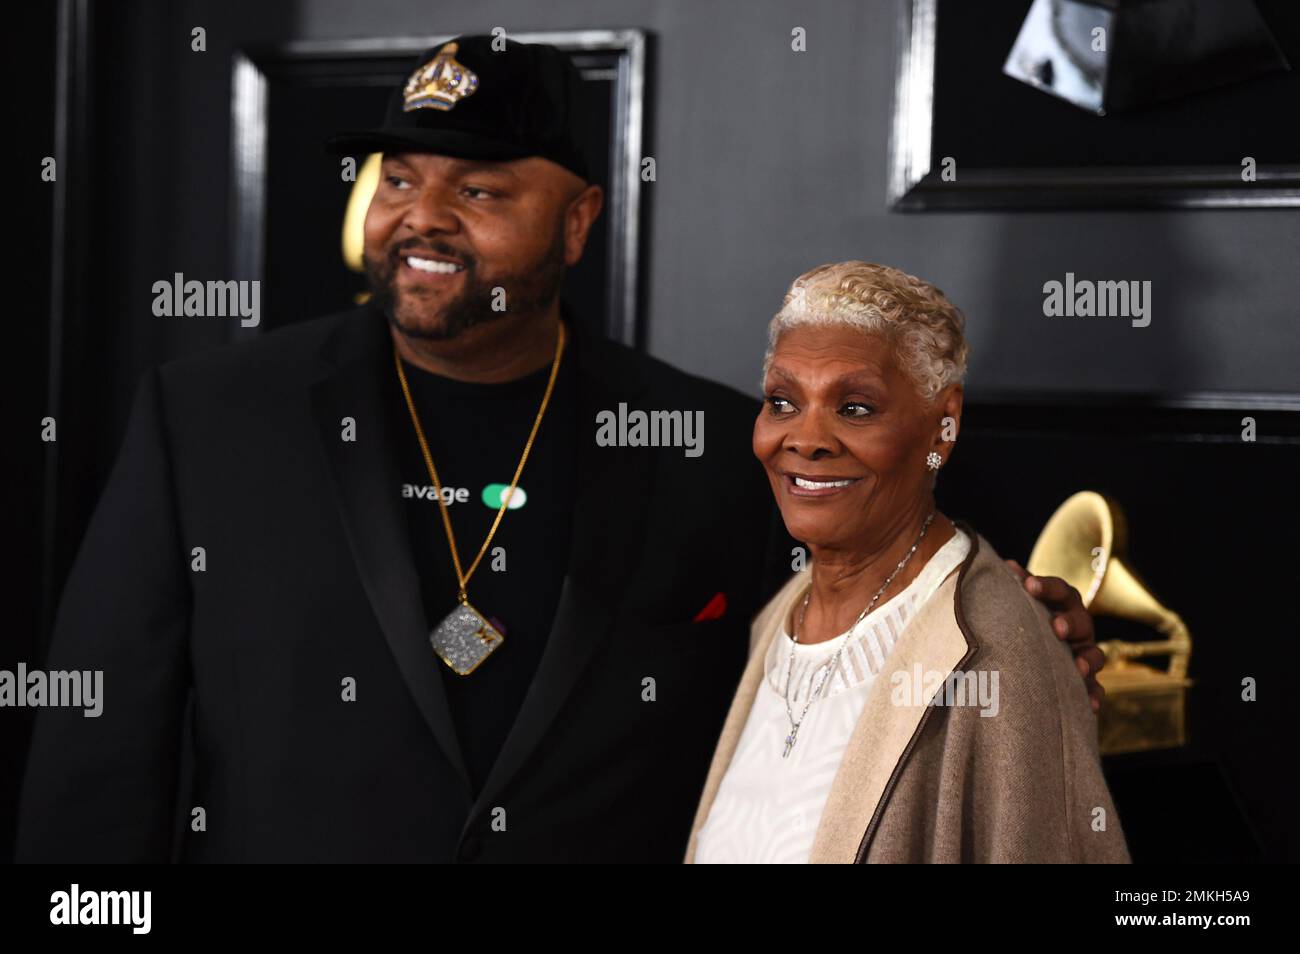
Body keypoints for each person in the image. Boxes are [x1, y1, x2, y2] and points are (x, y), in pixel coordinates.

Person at [17, 38, 1102, 863]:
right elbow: (97, 751)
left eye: (479, 191)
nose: (421, 217)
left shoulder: (704, 443)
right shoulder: (209, 417)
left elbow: (848, 638)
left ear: (577, 222)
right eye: (400, 179)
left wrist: (1005, 624)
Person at [685, 262, 1130, 863]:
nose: (806, 438)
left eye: (856, 408)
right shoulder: (779, 615)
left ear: (944, 426)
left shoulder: (998, 652)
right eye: (783, 401)